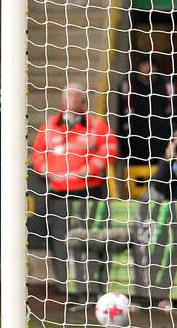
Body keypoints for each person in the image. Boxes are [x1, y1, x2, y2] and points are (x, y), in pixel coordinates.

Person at [30, 84, 117, 297]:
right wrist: (49, 172)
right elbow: (37, 155)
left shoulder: (97, 125)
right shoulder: (49, 126)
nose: (69, 98)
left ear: (83, 100)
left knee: (91, 239)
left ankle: (93, 286)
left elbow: (110, 149)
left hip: (89, 191)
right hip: (58, 193)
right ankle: (65, 286)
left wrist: (88, 169)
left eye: (74, 95)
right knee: (60, 240)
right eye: (66, 94)